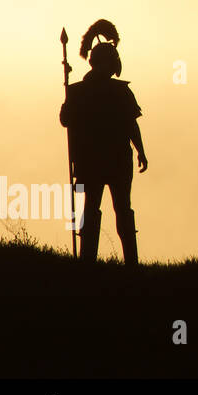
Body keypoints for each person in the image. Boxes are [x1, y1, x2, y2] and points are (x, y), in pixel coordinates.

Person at [59, 20, 147, 265]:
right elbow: (66, 120)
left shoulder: (86, 92)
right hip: (105, 161)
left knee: (114, 209)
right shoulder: (101, 92)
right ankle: (104, 261)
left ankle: (114, 262)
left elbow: (131, 125)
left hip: (106, 161)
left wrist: (141, 150)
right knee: (104, 209)